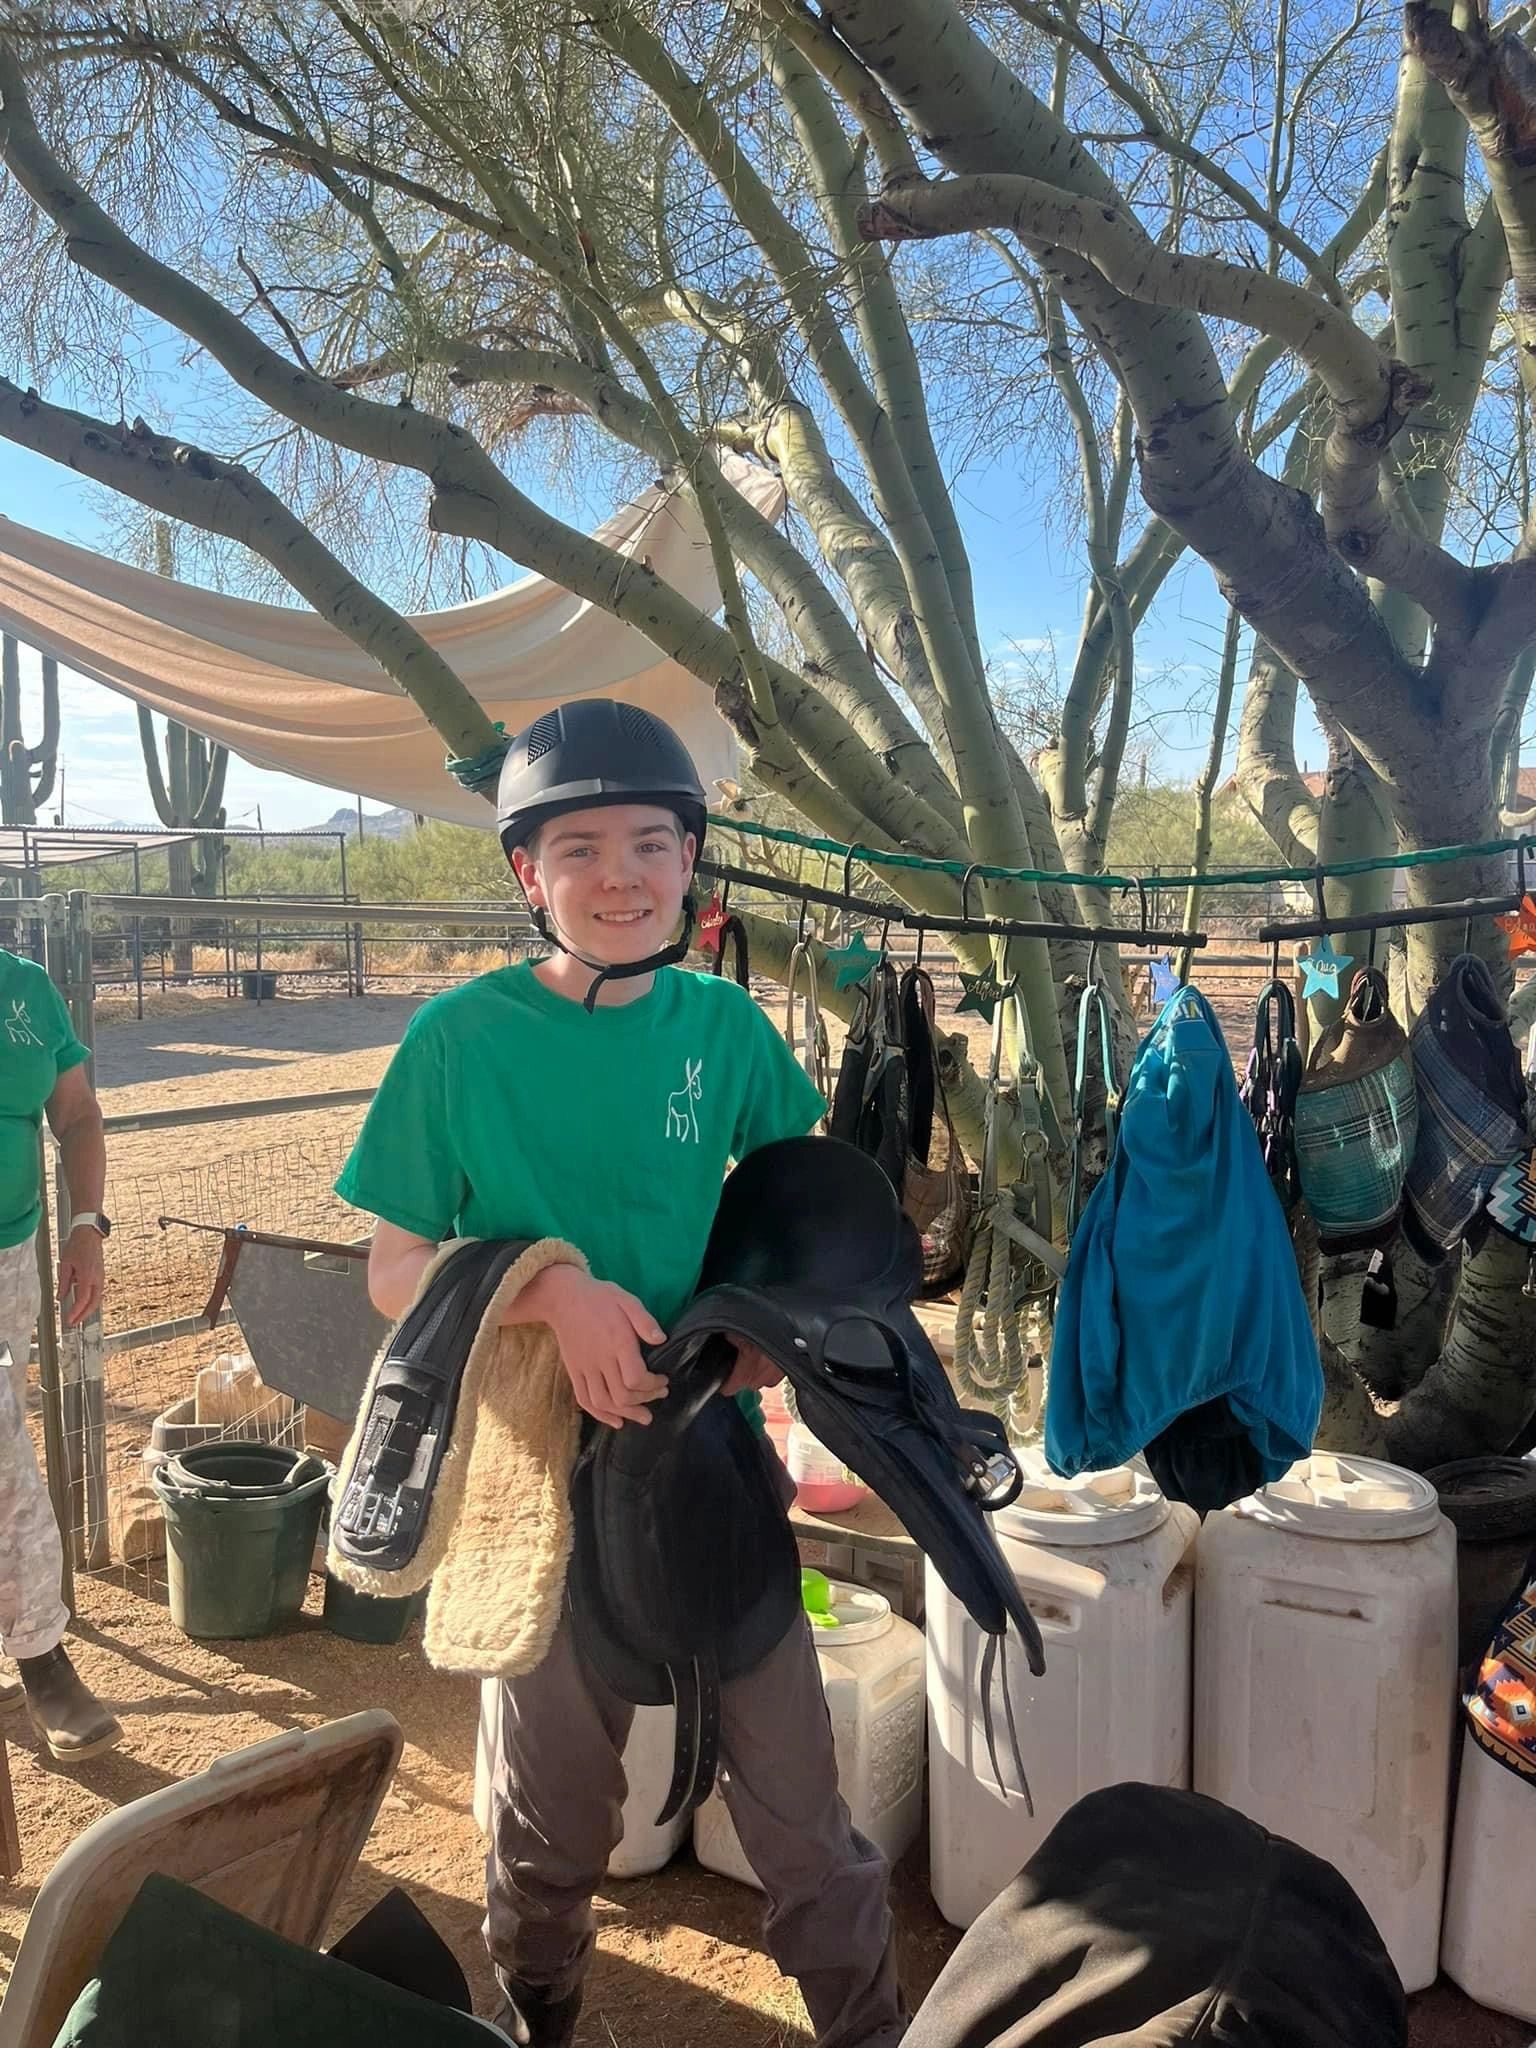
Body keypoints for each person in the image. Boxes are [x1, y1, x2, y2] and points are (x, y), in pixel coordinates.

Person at [335, 700, 907, 2048]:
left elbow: (801, 1214)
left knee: (805, 1816)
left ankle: (871, 2030)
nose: (619, 877)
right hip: (534, 1477)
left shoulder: (721, 1031)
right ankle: (543, 2009)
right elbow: (391, 1267)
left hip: (707, 1455)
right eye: (577, 848)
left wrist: (777, 1326)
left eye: (652, 842)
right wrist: (544, 1286)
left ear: (691, 863)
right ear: (527, 875)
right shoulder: (460, 1042)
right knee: (549, 1819)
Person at [0, 941, 121, 1760]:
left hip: (13, 1256)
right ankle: (42, 1658)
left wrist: (85, 1226)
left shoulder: (26, 988)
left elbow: (75, 1113)